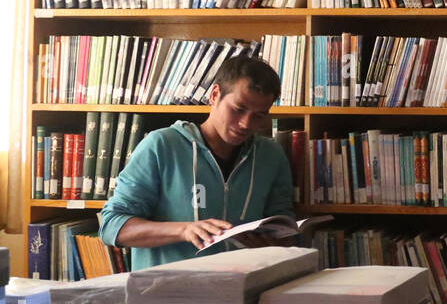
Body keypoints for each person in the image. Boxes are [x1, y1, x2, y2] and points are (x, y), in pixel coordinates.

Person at [99, 55, 299, 270]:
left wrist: (275, 243)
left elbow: (284, 227)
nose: (245, 124)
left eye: (259, 115)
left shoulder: (271, 155)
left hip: (243, 291)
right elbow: (112, 226)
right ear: (214, 95)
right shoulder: (161, 145)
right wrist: (183, 230)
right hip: (169, 294)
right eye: (238, 109)